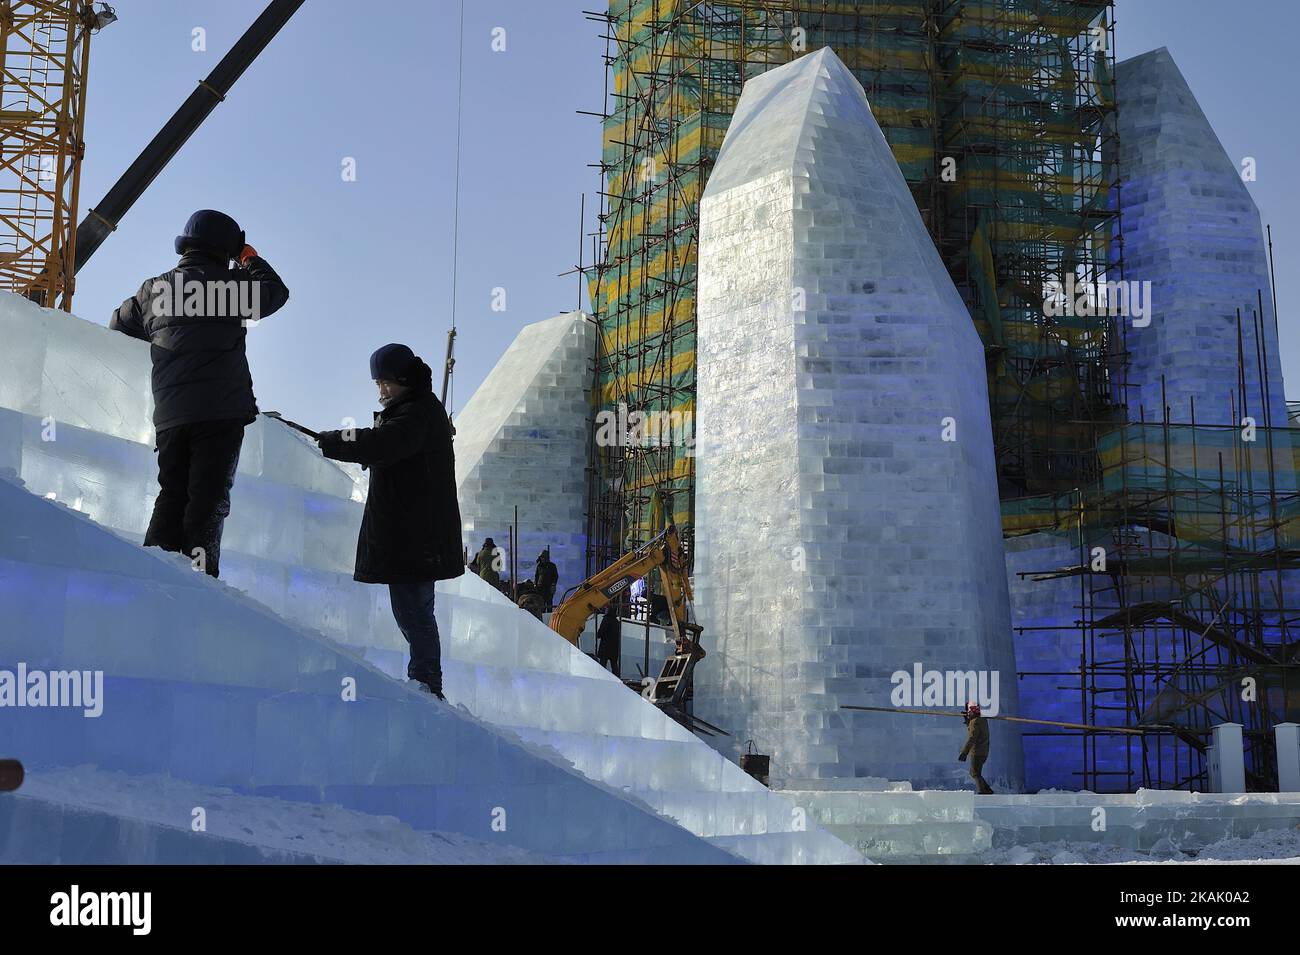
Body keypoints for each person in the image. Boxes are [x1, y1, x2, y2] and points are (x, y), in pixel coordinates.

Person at [109, 209, 289, 578]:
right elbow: (275, 293)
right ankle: (198, 588)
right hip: (220, 414)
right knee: (207, 504)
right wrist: (249, 257)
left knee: (171, 495)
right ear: (226, 247)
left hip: (171, 416)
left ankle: (152, 577)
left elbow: (118, 324)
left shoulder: (153, 289)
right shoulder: (230, 288)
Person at [316, 344, 464, 700]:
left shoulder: (417, 413)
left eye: (386, 383)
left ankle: (427, 684)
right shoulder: (414, 410)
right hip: (415, 537)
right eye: (377, 384)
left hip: (418, 538)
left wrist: (337, 440)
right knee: (413, 612)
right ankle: (425, 680)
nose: (381, 390)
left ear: (403, 380)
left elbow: (384, 443)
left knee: (414, 613)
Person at [958, 702, 994, 795]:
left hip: (977, 751)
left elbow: (972, 738)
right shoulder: (982, 720)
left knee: (975, 773)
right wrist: (968, 721)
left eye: (969, 712)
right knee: (974, 772)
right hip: (983, 751)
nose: (968, 713)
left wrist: (964, 752)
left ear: (973, 712)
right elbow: (975, 731)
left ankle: (983, 791)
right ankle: (987, 789)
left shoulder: (975, 722)